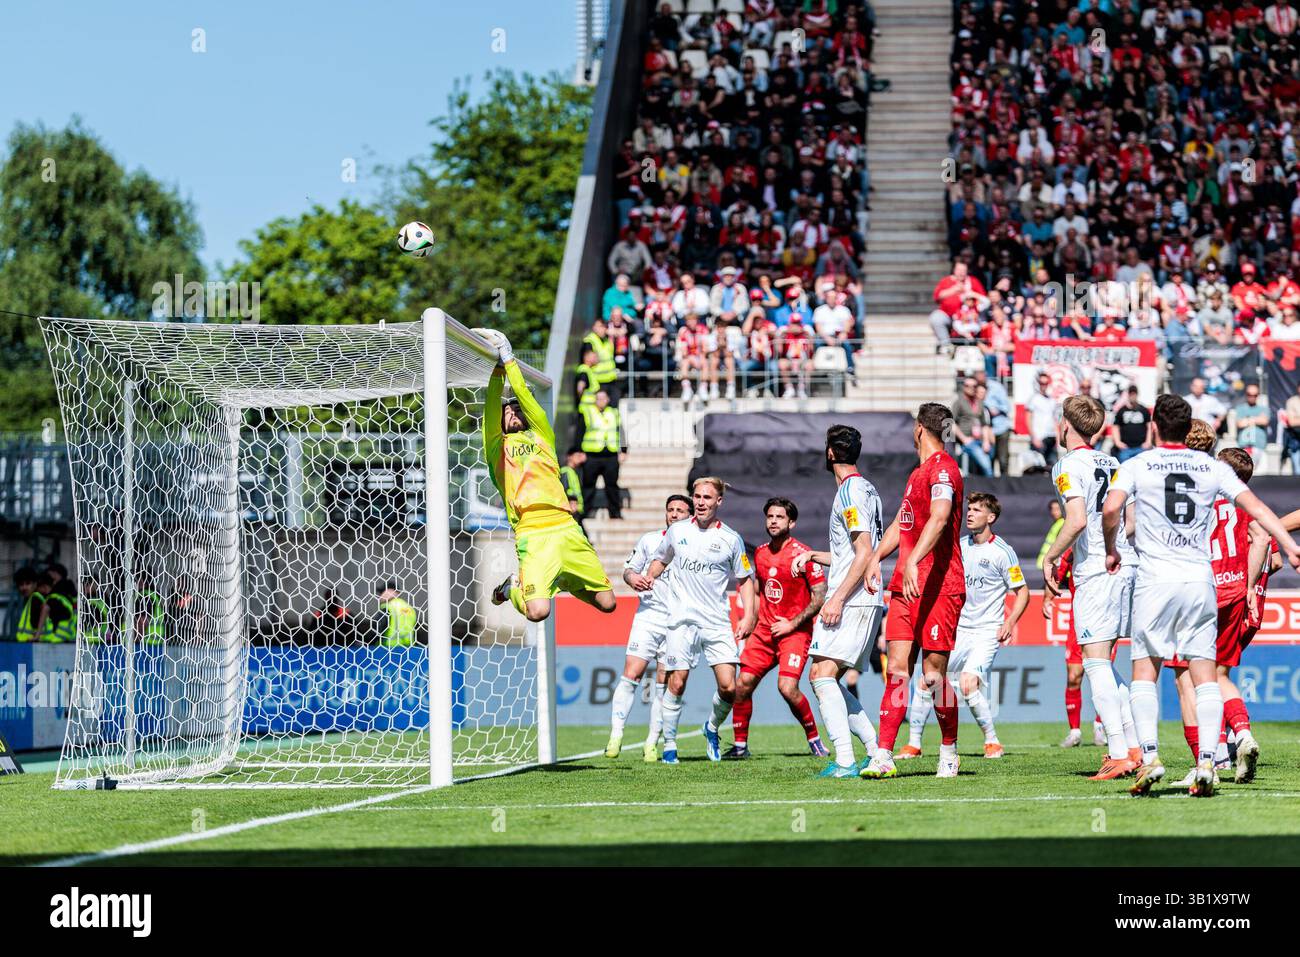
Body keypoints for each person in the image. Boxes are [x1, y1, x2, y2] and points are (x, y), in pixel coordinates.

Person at [1102, 394, 1300, 797]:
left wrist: (1111, 548)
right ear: (1187, 423)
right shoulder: (1211, 467)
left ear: (1155, 425)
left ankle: (1152, 758)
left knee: (1146, 669)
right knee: (1207, 674)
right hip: (1199, 581)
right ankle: (1208, 762)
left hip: (1155, 579)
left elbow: (1111, 510)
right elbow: (1257, 509)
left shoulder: (1137, 464)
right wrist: (1289, 545)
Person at [474, 328, 616, 622]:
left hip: (567, 527)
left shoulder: (542, 437)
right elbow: (490, 409)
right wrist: (500, 369)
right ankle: (511, 588)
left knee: (608, 603)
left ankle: (562, 579)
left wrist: (510, 358)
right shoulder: (497, 447)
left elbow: (526, 397)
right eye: (507, 411)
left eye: (516, 409)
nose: (512, 412)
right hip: (533, 532)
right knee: (538, 612)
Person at [862, 403, 967, 780]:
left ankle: (949, 750)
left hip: (940, 585)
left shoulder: (944, 469)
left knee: (934, 677)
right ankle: (884, 754)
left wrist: (911, 561)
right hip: (906, 587)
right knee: (897, 670)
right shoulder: (918, 473)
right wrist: (876, 557)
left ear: (920, 428)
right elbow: (901, 523)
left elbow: (940, 518)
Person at [1042, 396, 1141, 780]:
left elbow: (1077, 519)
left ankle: (1117, 751)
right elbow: (1129, 520)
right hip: (1125, 563)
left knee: (1095, 661)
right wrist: (1111, 545)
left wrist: (1052, 557)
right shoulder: (1114, 462)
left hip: (1097, 571)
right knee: (1106, 662)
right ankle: (1134, 747)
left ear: (1065, 424)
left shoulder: (1068, 464)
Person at [1165, 447, 1270, 787]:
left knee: (1186, 679)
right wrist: (1250, 586)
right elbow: (1265, 541)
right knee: (1219, 673)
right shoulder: (1244, 506)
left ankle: (1204, 760)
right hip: (1235, 596)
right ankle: (1240, 734)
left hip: (1199, 592)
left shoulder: (1196, 499)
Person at [902, 492, 1029, 760]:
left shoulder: (1002, 552)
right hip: (957, 628)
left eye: (976, 510)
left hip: (986, 632)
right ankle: (913, 745)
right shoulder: (959, 546)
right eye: (968, 509)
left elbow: (1023, 592)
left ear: (991, 517)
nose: (969, 514)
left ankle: (992, 742)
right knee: (928, 681)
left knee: (969, 684)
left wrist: (1010, 621)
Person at [640, 476, 758, 764]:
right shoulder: (677, 531)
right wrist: (649, 575)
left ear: (719, 501)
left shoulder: (730, 539)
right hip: (681, 620)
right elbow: (661, 559)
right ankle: (670, 745)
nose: (701, 502)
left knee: (730, 687)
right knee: (677, 683)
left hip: (716, 621)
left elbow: (744, 580)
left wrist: (750, 615)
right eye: (697, 496)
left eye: (707, 497)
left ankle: (712, 727)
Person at [790, 426, 885, 776]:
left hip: (854, 599)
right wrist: (817, 555)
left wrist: (837, 599)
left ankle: (844, 760)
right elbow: (854, 552)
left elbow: (863, 552)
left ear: (830, 453)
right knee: (825, 675)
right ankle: (875, 751)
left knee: (820, 675)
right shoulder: (867, 490)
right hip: (863, 597)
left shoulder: (850, 491)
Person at [723, 497, 830, 761]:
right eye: (770, 516)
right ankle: (739, 746)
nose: (773, 521)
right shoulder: (759, 553)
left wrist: (792, 623)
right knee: (742, 685)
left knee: (787, 688)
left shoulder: (803, 555)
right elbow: (759, 592)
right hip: (764, 632)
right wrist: (750, 620)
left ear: (791, 522)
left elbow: (820, 596)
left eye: (779, 517)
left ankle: (815, 741)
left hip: (795, 633)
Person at [604, 494, 693, 761]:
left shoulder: (694, 544)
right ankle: (616, 735)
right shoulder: (650, 540)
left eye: (680, 510)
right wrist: (633, 580)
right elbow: (629, 570)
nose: (675, 514)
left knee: (663, 683)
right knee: (632, 673)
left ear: (690, 515)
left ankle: (651, 743)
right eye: (671, 509)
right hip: (649, 615)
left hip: (678, 621)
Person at [579, 390, 625, 521]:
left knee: (612, 485)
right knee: (588, 486)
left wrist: (624, 451)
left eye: (603, 398)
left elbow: (621, 432)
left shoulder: (614, 413)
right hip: (592, 455)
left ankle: (615, 513)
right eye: (598, 398)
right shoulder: (588, 412)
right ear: (595, 400)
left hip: (610, 455)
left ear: (608, 400)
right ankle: (585, 512)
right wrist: (578, 451)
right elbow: (580, 431)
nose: (601, 401)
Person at [952, 376, 993, 475]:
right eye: (967, 385)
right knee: (986, 465)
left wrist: (986, 441)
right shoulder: (959, 402)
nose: (971, 388)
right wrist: (964, 438)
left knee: (990, 454)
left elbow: (984, 424)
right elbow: (950, 422)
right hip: (967, 441)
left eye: (974, 386)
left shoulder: (979, 402)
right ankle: (991, 483)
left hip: (980, 440)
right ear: (963, 387)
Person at [1110, 386, 1152, 463]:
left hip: (1141, 447)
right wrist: (1118, 442)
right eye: (1131, 393)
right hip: (1126, 448)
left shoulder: (1143, 410)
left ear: (1137, 394)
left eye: (1134, 393)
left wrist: (1148, 442)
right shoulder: (1121, 411)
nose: (1132, 395)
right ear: (1128, 394)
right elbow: (1115, 427)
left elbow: (1149, 426)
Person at [1026, 372, 1060, 465]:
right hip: (1039, 437)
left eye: (1045, 383)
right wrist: (1033, 437)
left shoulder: (1052, 400)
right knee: (1038, 466)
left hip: (1051, 436)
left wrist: (1057, 437)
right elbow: (1028, 419)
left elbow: (1055, 420)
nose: (1043, 385)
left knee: (1053, 465)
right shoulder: (1034, 399)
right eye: (1041, 383)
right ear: (1038, 383)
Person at [1232, 384, 1270, 466]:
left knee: (1260, 474)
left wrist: (1247, 419)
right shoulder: (1240, 408)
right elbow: (1240, 424)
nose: (1252, 397)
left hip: (1259, 446)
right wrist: (1256, 419)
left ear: (1258, 395)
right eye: (1250, 395)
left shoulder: (1264, 408)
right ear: (1246, 394)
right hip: (1244, 446)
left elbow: (1264, 421)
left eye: (1255, 395)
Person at [375, 582, 416, 647]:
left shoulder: (387, 607)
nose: (380, 596)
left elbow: (377, 629)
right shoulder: (409, 608)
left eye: (382, 592)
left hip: (388, 649)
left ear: (391, 591)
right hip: (409, 648)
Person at [12, 568, 43, 643]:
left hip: (34, 644)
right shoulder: (30, 599)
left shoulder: (36, 598)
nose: (24, 587)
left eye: (28, 583)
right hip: (28, 644)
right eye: (21, 584)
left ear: (35, 584)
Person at [558, 449, 586, 522]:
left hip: (576, 510)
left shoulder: (573, 471)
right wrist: (571, 502)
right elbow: (563, 489)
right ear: (569, 457)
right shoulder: (565, 471)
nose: (579, 458)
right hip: (571, 509)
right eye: (577, 456)